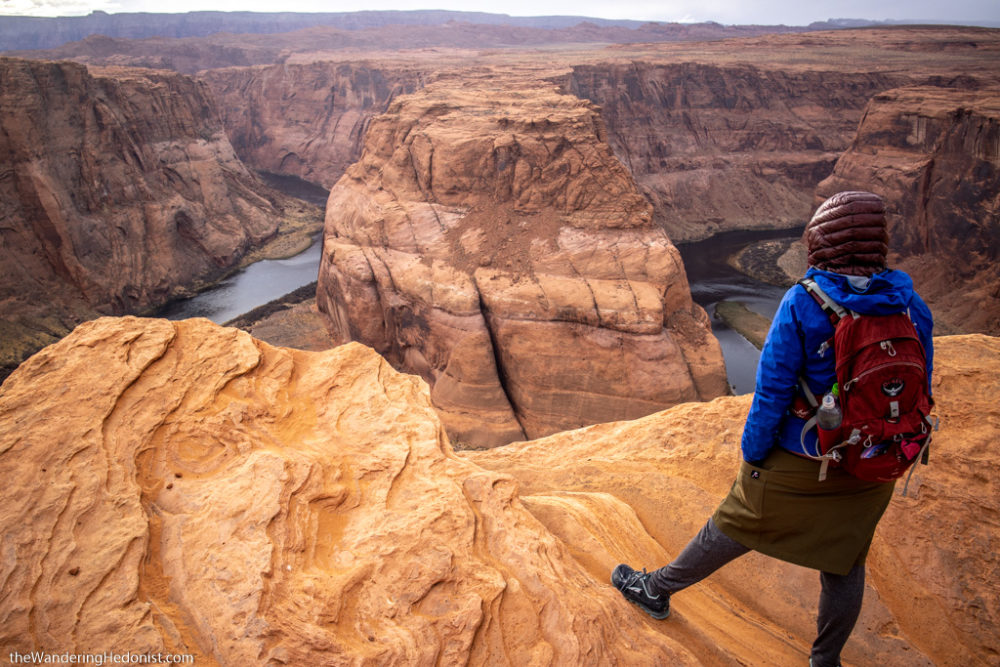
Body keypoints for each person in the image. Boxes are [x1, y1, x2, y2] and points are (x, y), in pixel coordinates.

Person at [610, 191, 934, 667]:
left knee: (736, 520)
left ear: (821, 242)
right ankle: (825, 661)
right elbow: (920, 387)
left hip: (806, 455)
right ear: (877, 244)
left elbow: (773, 390)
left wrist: (754, 454)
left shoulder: (804, 302)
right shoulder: (912, 305)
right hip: (876, 458)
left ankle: (655, 590)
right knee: (844, 559)